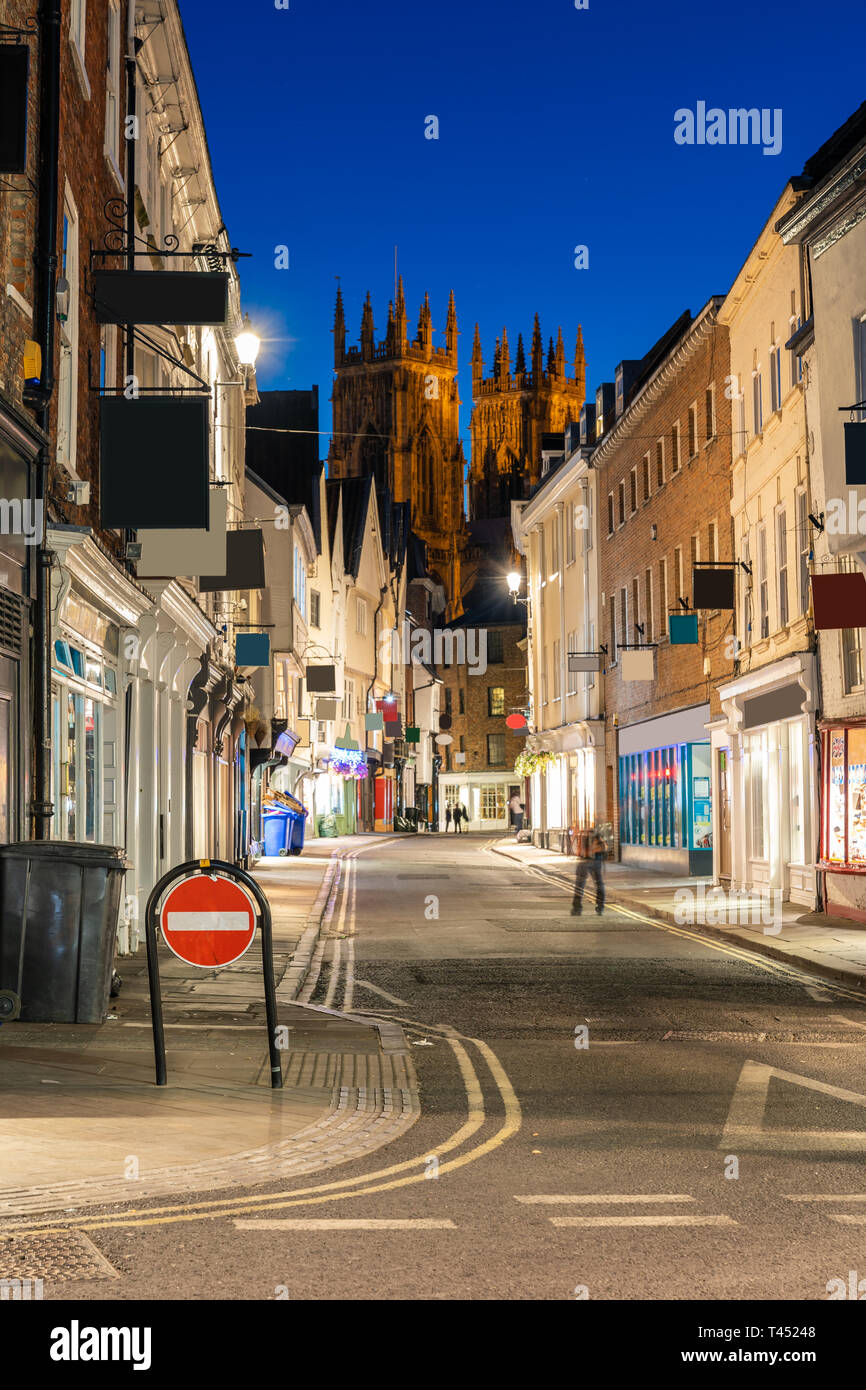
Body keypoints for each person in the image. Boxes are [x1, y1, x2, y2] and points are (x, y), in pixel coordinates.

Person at [572, 826, 606, 915]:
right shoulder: (597, 836)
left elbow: (576, 851)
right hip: (596, 862)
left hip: (584, 861)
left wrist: (587, 852)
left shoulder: (582, 836)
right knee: (599, 883)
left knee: (579, 885)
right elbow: (604, 848)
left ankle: (577, 908)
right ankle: (600, 906)